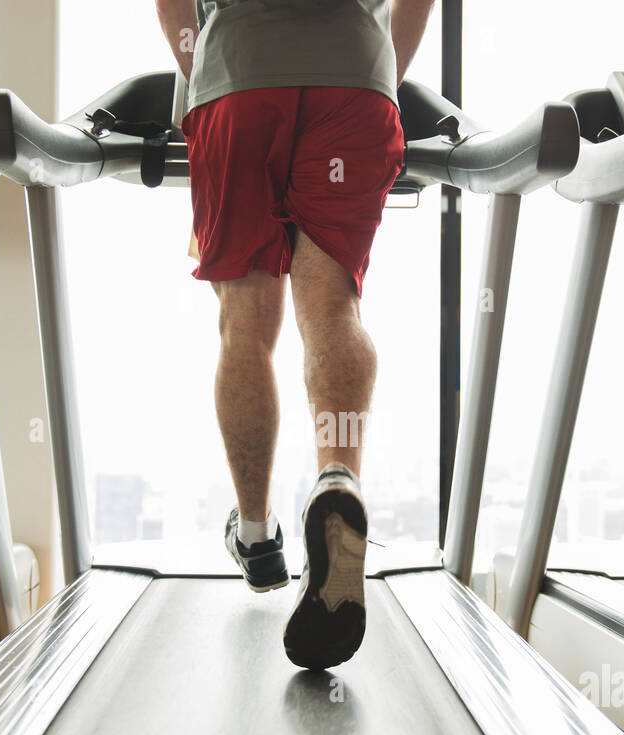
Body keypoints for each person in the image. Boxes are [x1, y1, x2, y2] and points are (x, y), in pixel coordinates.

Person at [155, 0, 435, 670]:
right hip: (353, 80)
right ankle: (338, 476)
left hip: (238, 79)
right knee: (332, 305)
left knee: (245, 324)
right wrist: (379, 74)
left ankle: (256, 535)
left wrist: (207, 74)